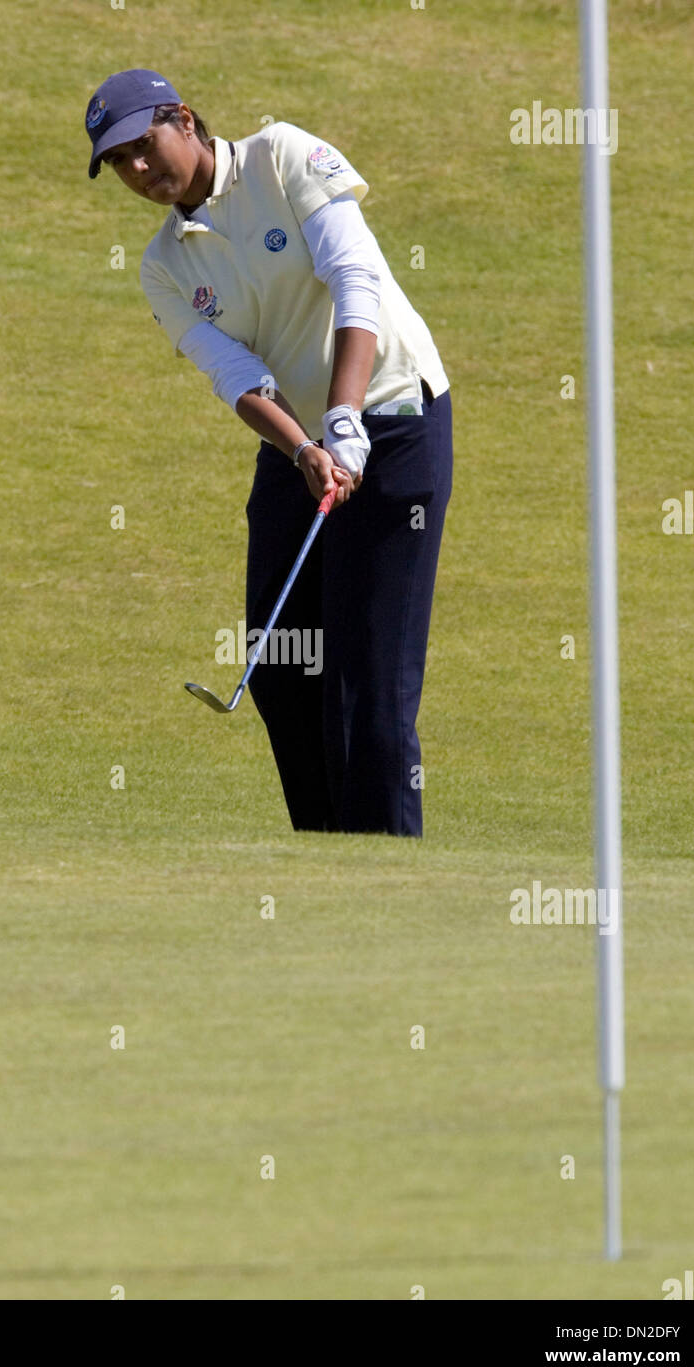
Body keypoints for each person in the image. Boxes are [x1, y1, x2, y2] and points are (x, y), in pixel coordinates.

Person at [85, 68, 452, 837]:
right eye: (118, 163)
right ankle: (323, 861)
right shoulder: (165, 265)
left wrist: (347, 416)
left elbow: (354, 282)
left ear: (182, 119)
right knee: (283, 663)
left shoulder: (282, 156)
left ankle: (382, 872)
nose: (138, 172)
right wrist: (303, 448)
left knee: (368, 679)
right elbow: (236, 374)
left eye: (142, 147)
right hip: (300, 441)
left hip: (392, 415)